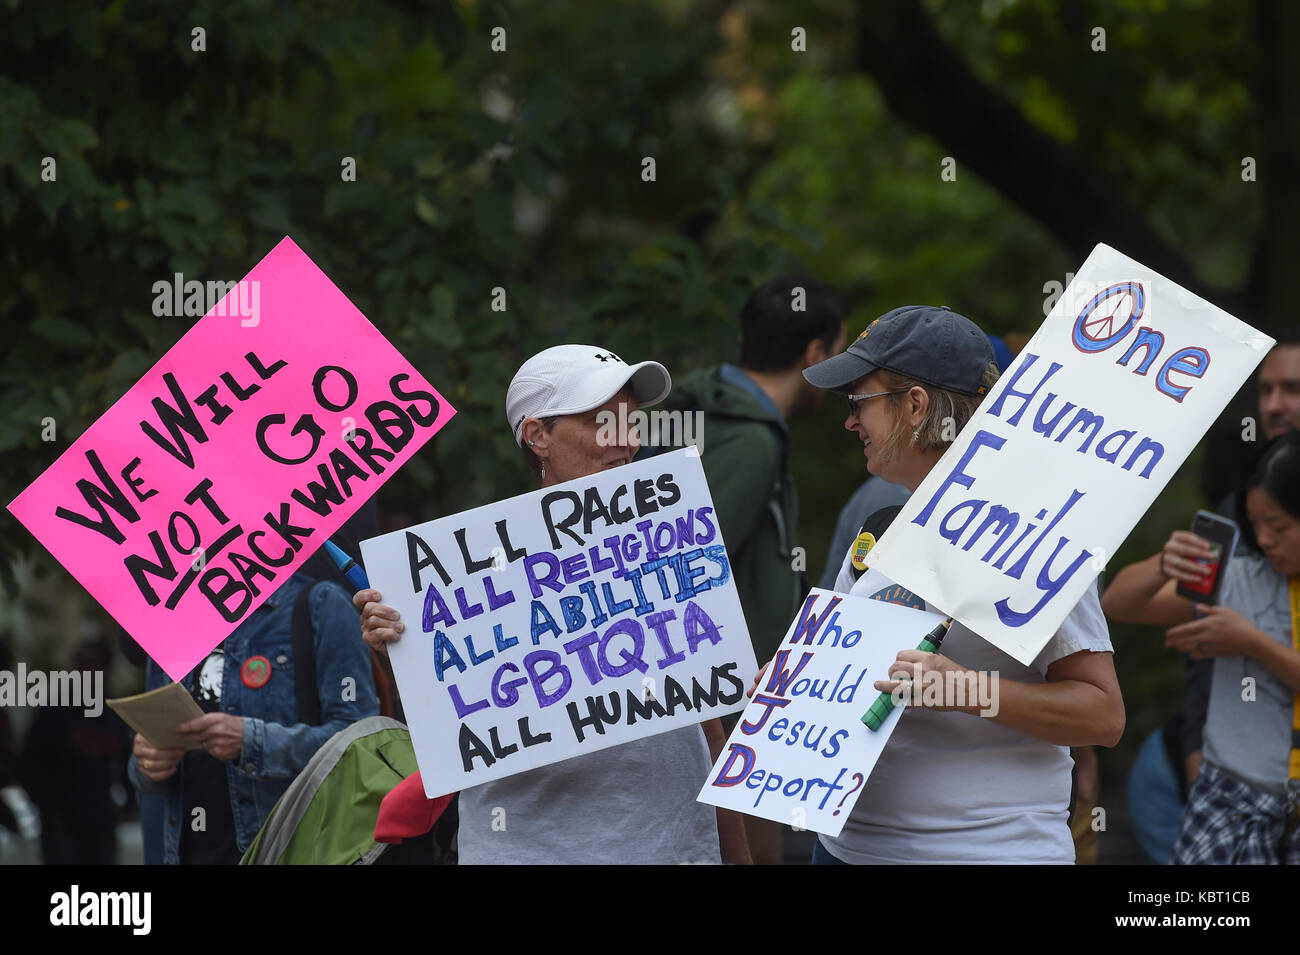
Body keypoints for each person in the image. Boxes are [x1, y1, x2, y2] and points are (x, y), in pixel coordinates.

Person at [357, 344, 751, 864]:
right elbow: (452, 718)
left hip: (674, 846)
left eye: (632, 423)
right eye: (600, 422)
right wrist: (398, 649)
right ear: (537, 435)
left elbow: (705, 709)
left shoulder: (665, 533)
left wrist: (735, 849)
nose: (627, 442)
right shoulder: (466, 573)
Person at [759, 304, 1124, 864]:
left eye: (860, 403)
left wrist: (968, 690)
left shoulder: (1035, 535)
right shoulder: (880, 526)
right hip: (845, 850)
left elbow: (1103, 715)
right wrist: (792, 684)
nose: (849, 422)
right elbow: (840, 670)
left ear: (915, 405)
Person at [661, 276, 845, 864]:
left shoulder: (706, 412)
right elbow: (682, 568)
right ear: (814, 355)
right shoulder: (752, 443)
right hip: (727, 711)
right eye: (838, 353)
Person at [1101, 430, 1300, 864]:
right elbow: (1117, 603)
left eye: (1279, 526)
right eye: (1256, 523)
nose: (1265, 539)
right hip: (1230, 797)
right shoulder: (1239, 576)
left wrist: (1249, 641)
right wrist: (1162, 564)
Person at [128, 569, 378, 864]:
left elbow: (362, 744)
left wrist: (253, 742)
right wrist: (146, 763)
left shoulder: (322, 604)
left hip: (290, 852)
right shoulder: (168, 620)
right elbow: (145, 763)